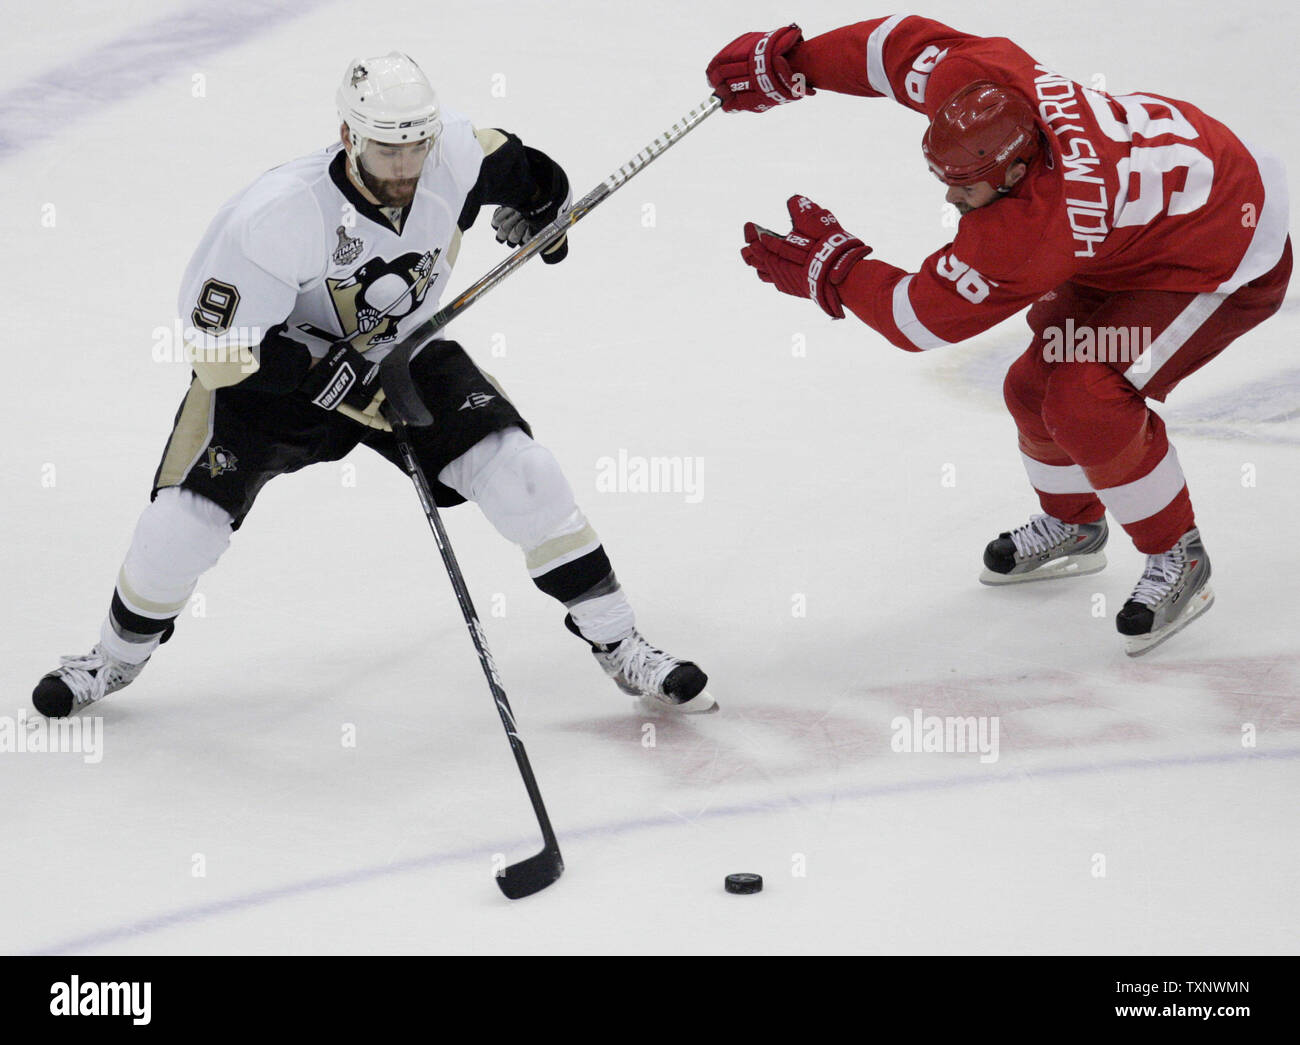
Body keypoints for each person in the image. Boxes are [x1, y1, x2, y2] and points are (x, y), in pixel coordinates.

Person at [33, 52, 714, 716]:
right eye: (387, 149)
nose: (405, 166)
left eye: (415, 145)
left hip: (400, 358)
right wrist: (310, 371)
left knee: (522, 471)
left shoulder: (453, 154)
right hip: (271, 383)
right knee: (181, 528)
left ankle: (621, 642)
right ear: (347, 136)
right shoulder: (276, 216)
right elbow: (218, 351)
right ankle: (115, 656)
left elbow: (533, 173)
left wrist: (547, 217)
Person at [705, 18, 1291, 654]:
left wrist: (838, 269)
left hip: (1220, 260)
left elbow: (919, 318)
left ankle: (1181, 557)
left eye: (967, 184)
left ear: (1014, 171)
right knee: (1029, 387)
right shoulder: (985, 81)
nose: (954, 195)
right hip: (1143, 233)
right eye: (945, 177)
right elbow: (893, 52)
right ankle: (1076, 527)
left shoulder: (1031, 232)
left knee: (1085, 398)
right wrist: (802, 64)